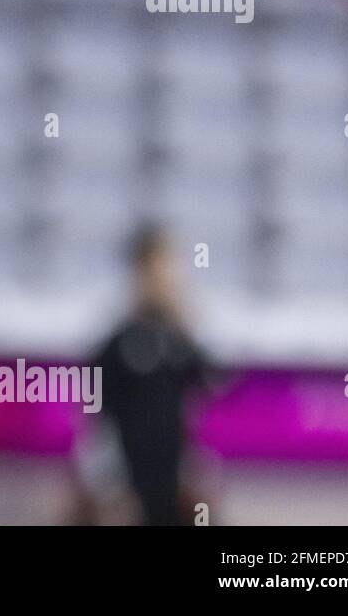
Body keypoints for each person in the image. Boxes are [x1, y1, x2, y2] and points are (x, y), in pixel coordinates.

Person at [89, 224, 212, 525]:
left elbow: (207, 391)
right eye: (155, 268)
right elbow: (98, 413)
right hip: (130, 478)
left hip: (173, 476)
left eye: (168, 268)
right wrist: (107, 472)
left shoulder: (181, 339)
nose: (163, 278)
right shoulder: (120, 342)